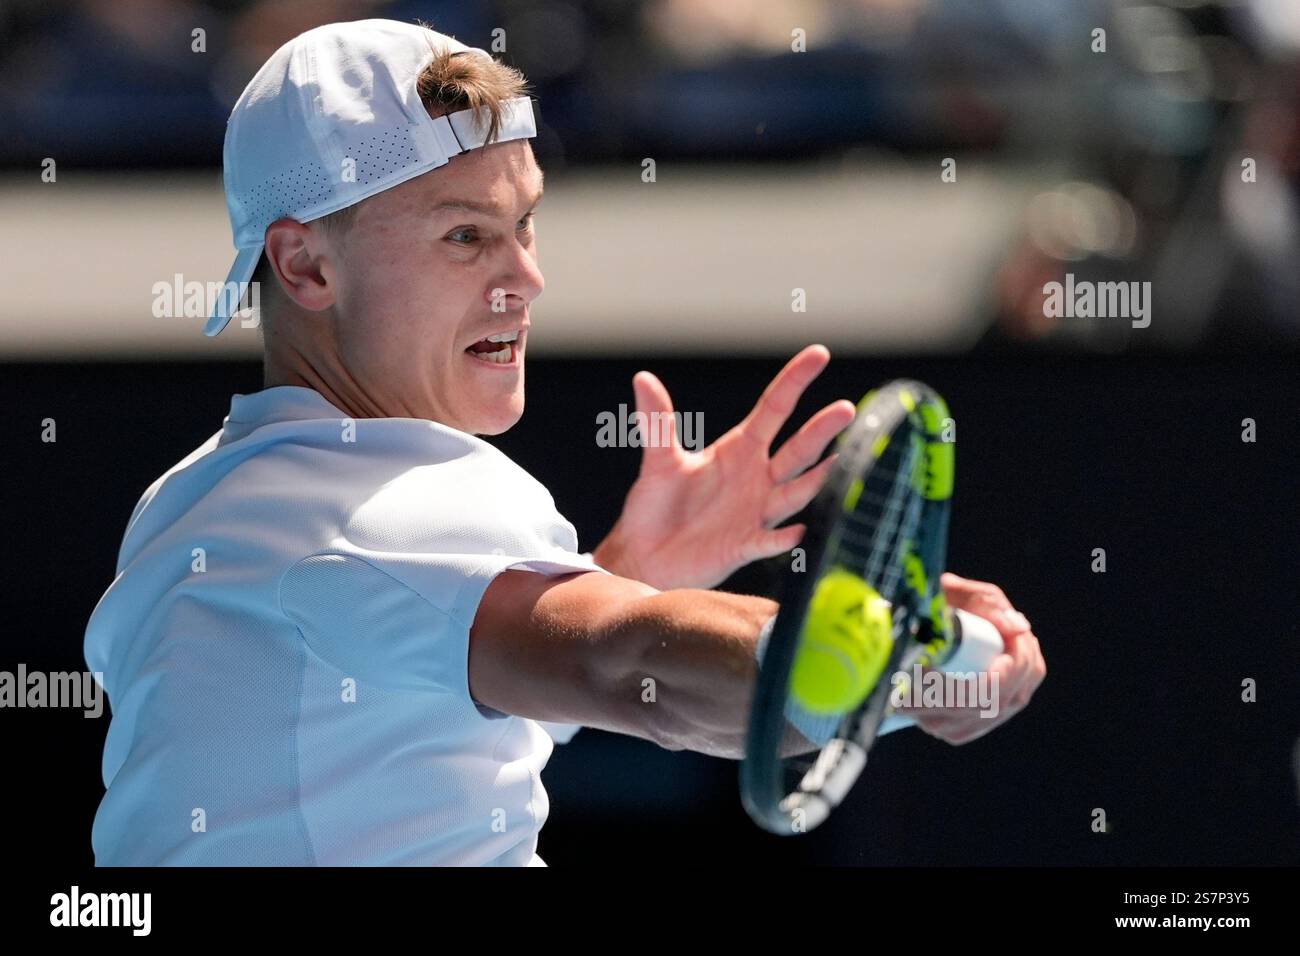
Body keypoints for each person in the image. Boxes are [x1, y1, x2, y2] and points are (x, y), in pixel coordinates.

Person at [84, 19, 1045, 866]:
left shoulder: (188, 506)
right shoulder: (398, 499)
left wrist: (621, 569)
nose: (526, 279)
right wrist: (917, 657)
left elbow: (409, 688)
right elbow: (632, 670)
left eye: (526, 225)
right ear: (304, 264)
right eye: (465, 237)